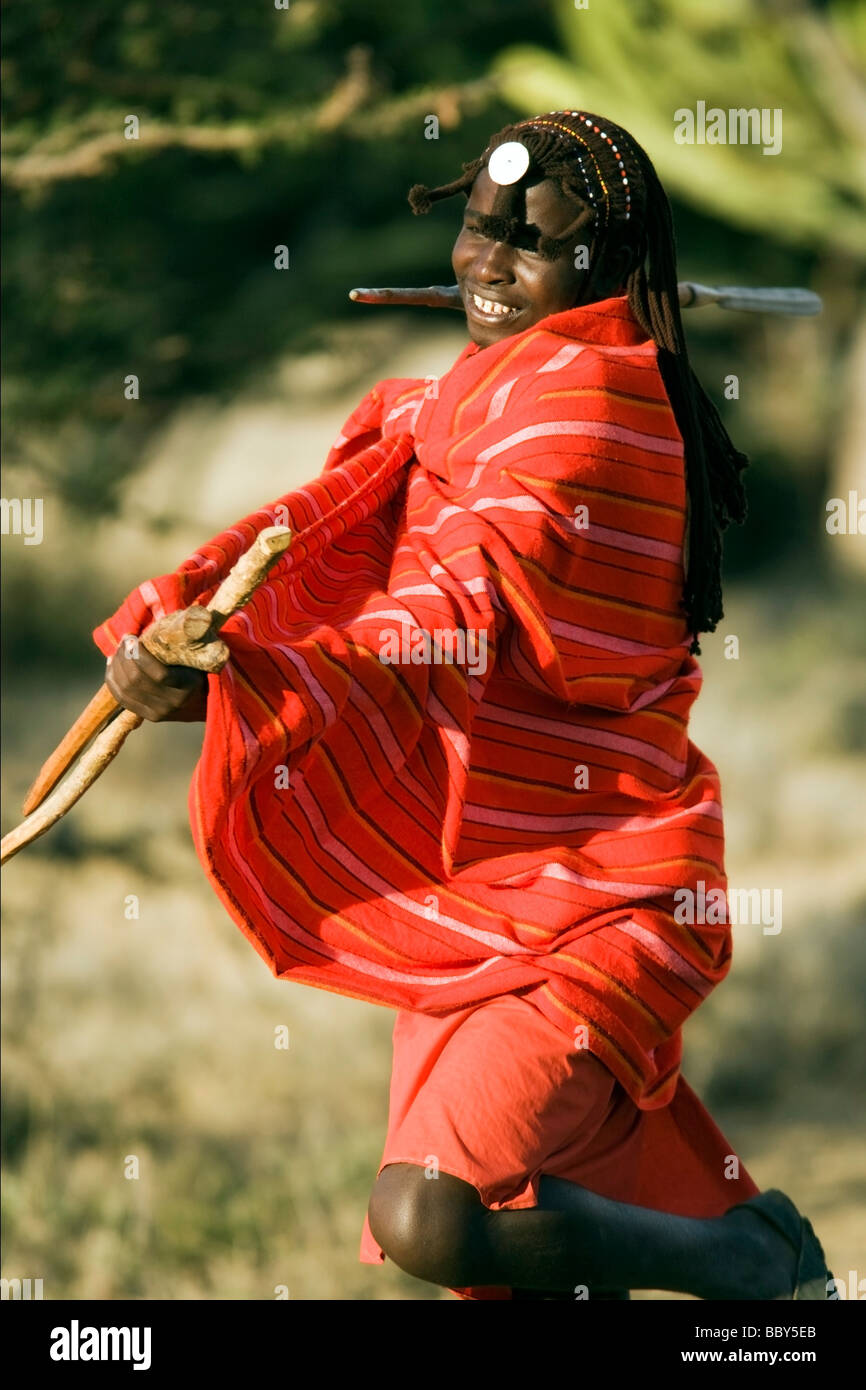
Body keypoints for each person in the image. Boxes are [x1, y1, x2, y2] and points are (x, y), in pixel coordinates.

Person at [100, 110, 832, 1300]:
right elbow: (359, 539)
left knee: (428, 1218)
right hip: (497, 891)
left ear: (598, 271)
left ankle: (746, 1259)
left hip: (594, 901)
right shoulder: (506, 391)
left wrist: (236, 674)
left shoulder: (584, 410)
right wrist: (191, 637)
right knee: (511, 1232)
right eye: (476, 231)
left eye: (527, 246)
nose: (484, 264)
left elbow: (452, 609)